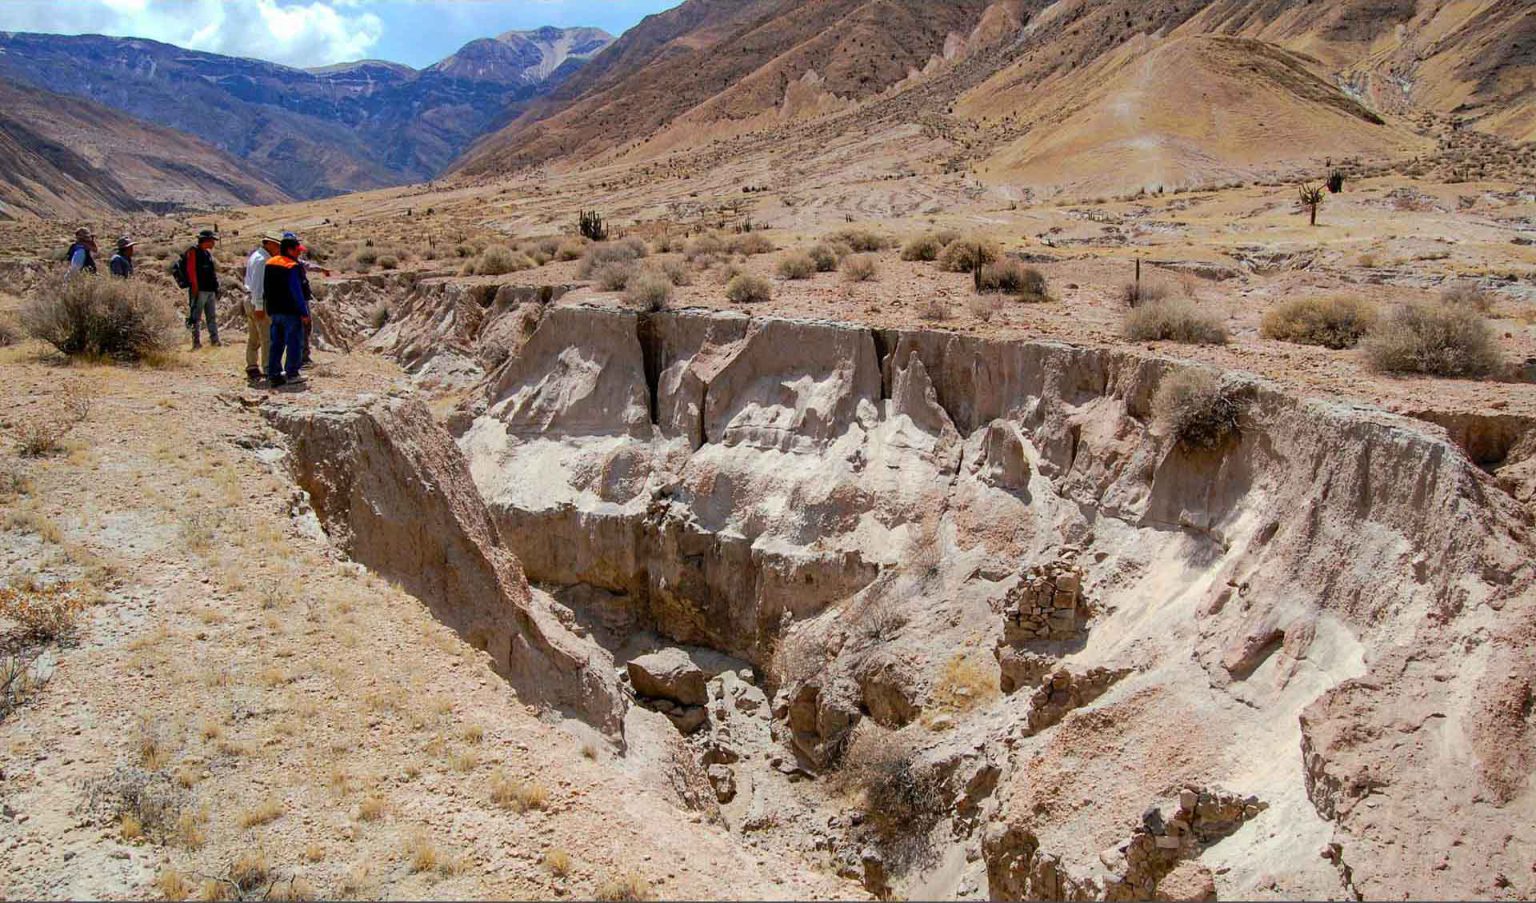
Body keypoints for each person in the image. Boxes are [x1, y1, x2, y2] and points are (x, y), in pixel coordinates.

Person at [263, 237, 311, 388]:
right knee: (294, 342)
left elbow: (266, 288)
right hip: (291, 311)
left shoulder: (270, 263)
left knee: (276, 343)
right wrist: (303, 312)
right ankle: (292, 373)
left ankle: (274, 374)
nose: (299, 254)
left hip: (274, 310)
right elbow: (296, 291)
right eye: (297, 251)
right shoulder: (291, 266)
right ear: (289, 250)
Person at [243, 232, 282, 381]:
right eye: (277, 245)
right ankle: (268, 368)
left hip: (249, 299)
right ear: (269, 244)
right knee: (266, 337)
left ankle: (252, 366)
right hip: (258, 301)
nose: (278, 248)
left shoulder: (256, 256)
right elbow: (259, 286)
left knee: (254, 337)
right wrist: (259, 306)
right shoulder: (262, 260)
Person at [184, 229, 222, 349]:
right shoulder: (193, 251)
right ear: (205, 241)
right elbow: (191, 271)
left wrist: (216, 288)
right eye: (212, 241)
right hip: (199, 290)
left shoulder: (207, 254)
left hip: (209, 290)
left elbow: (212, 272)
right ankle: (196, 343)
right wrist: (194, 287)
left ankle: (215, 340)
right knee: (196, 317)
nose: (213, 243)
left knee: (211, 317)